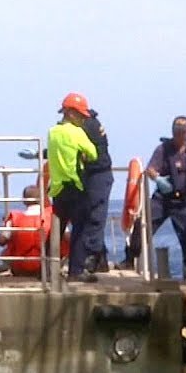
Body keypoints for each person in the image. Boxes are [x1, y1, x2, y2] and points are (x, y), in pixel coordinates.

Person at [118, 116, 186, 278]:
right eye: (176, 132)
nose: (179, 135)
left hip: (185, 201)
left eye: (182, 132)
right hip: (163, 198)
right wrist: (157, 178)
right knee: (142, 224)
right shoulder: (163, 149)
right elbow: (151, 169)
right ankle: (130, 258)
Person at [47, 92, 99, 283]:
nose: (83, 119)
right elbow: (93, 153)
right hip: (76, 186)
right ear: (70, 113)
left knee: (57, 229)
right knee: (80, 229)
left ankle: (46, 268)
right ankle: (76, 271)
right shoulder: (77, 133)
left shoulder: (52, 132)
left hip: (58, 188)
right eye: (80, 115)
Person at [80, 107, 115, 273]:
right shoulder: (92, 124)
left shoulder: (87, 127)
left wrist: (44, 154)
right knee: (92, 216)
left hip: (97, 176)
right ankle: (100, 259)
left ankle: (93, 257)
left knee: (94, 218)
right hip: (97, 175)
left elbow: (72, 148)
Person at [0, 185, 46, 276]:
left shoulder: (15, 219)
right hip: (46, 264)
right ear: (42, 199)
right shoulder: (51, 218)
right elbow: (67, 238)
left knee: (4, 252)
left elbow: (1, 241)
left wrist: (5, 225)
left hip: (20, 265)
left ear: (24, 201)